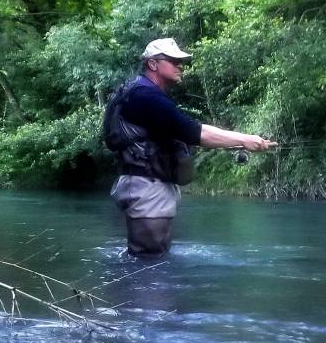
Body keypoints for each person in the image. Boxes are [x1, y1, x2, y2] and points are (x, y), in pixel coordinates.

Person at [109, 38, 276, 255]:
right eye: (173, 61)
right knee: (148, 262)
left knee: (150, 258)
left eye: (181, 62)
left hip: (141, 184)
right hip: (147, 189)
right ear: (153, 64)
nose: (180, 66)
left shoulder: (135, 92)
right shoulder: (146, 97)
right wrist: (244, 140)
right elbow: (195, 132)